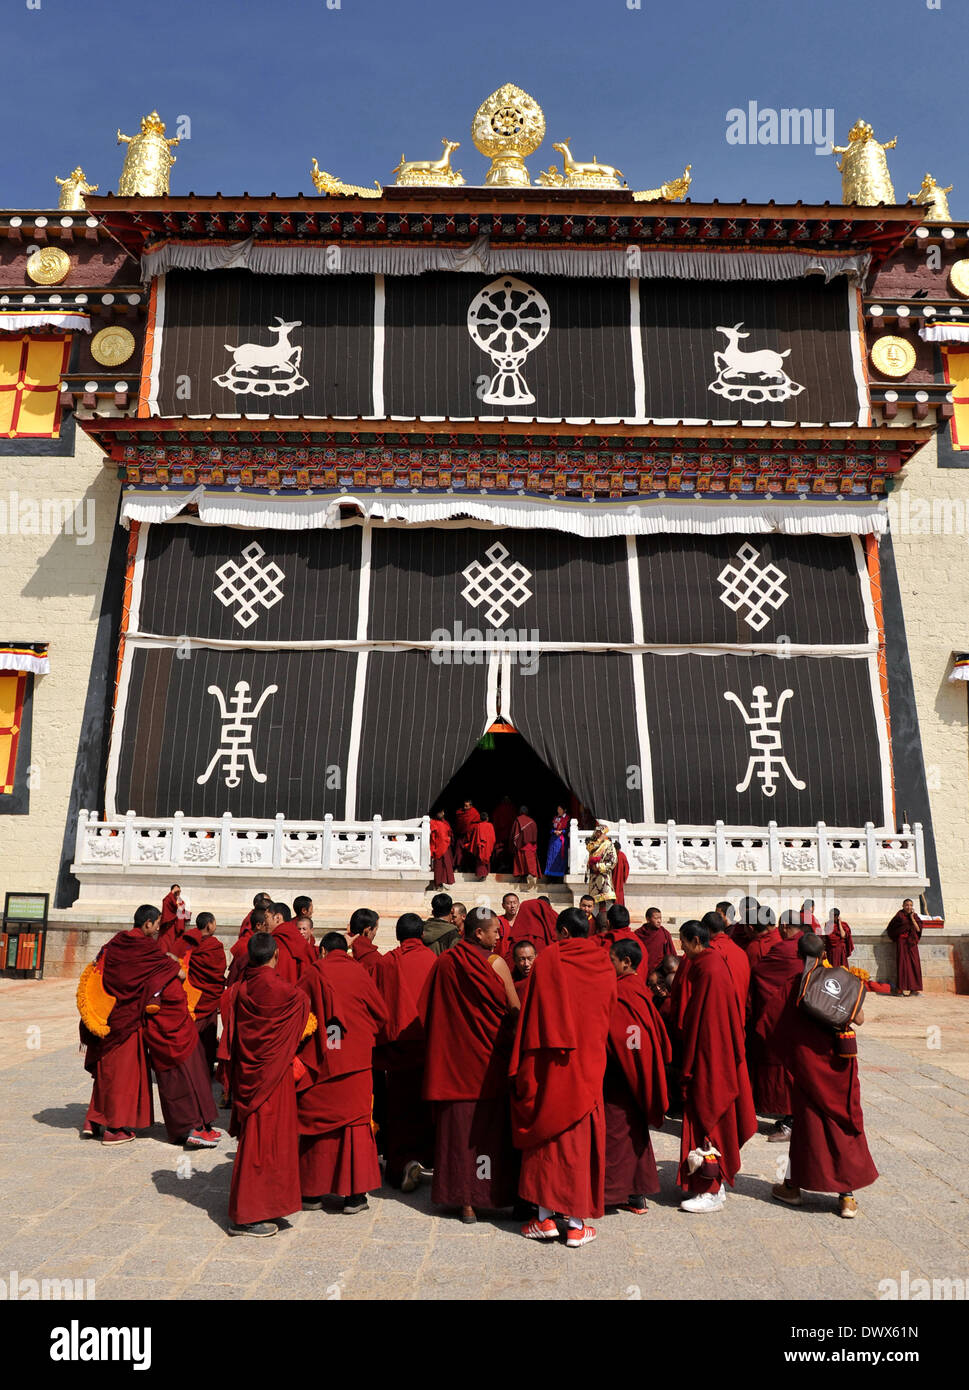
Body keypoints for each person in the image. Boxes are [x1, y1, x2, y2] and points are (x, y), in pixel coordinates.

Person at [511, 907, 617, 1247]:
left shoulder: (549, 959)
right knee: (579, 1140)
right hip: (587, 1065)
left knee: (546, 1137)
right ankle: (575, 1224)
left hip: (550, 1066)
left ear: (563, 933)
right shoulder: (603, 962)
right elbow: (607, 1011)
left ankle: (544, 1219)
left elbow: (532, 1013)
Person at [422, 906, 521, 1223]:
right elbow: (514, 1009)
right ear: (479, 933)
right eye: (494, 930)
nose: (498, 935)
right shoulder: (495, 964)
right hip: (488, 1064)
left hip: (452, 1066)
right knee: (486, 1134)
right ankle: (487, 1195)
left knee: (458, 1135)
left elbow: (427, 1010)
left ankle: (463, 1201)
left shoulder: (445, 963)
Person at [772, 934, 878, 1218]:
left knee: (809, 1127)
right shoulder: (840, 978)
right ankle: (847, 1197)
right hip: (839, 1067)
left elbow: (776, 1027)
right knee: (842, 1123)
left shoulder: (795, 985)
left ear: (799, 955)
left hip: (808, 1066)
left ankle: (793, 1188)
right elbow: (859, 1018)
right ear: (824, 954)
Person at [221, 932, 311, 1237]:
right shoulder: (291, 994)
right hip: (275, 1079)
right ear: (275, 957)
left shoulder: (238, 992)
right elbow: (301, 1014)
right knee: (265, 1145)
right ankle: (246, 1215)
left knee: (258, 1141)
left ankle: (266, 1205)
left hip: (250, 1077)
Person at [298, 932, 388, 1215]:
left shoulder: (313, 973)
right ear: (345, 950)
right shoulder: (359, 972)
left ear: (323, 951)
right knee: (355, 1126)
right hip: (357, 1062)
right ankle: (354, 1197)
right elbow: (382, 1014)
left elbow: (298, 1013)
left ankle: (312, 1193)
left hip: (322, 1062)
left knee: (318, 1124)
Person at [676, 919, 756, 1214]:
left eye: (683, 941)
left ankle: (709, 1188)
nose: (680, 947)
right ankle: (717, 1183)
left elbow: (702, 1023)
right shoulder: (711, 964)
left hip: (711, 1060)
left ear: (697, 941)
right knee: (716, 1122)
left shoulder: (707, 970)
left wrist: (691, 1065)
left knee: (708, 1118)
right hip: (718, 1054)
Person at [81, 904, 174, 1144]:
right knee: (123, 1075)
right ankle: (114, 1128)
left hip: (106, 1018)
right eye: (156, 924)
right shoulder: (144, 948)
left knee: (106, 1071)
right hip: (127, 1022)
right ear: (147, 924)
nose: (157, 929)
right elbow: (170, 969)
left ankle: (94, 1119)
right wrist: (174, 963)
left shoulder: (115, 943)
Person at [143, 911, 221, 1149]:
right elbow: (153, 1008)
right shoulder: (155, 979)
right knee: (179, 1084)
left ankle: (202, 1125)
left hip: (183, 1034)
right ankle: (189, 1129)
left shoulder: (169, 973)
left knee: (196, 1077)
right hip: (167, 1040)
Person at [604, 938, 671, 1214]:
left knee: (615, 1135)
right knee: (632, 1134)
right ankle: (635, 1194)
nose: (609, 965)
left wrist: (633, 1076)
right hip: (632, 1077)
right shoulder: (638, 990)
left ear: (626, 963)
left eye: (612, 960)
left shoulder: (623, 993)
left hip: (620, 1079)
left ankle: (612, 1194)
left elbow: (630, 1041)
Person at [373, 913, 437, 1192]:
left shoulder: (388, 962)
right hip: (427, 1045)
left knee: (399, 1108)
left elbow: (376, 1004)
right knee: (425, 1106)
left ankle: (402, 1163)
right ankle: (425, 1158)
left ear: (398, 936)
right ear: (421, 934)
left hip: (397, 1047)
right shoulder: (434, 961)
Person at [748, 915, 804, 1142]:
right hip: (801, 1017)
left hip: (785, 1017)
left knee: (788, 1072)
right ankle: (794, 1119)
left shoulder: (785, 949)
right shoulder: (806, 944)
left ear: (785, 927)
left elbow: (760, 974)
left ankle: (792, 1123)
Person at [181, 911, 227, 1075]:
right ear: (209, 925)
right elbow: (219, 971)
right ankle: (204, 1069)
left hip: (192, 997)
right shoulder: (215, 946)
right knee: (206, 1036)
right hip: (209, 997)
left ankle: (188, 1069)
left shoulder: (188, 943)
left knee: (191, 1034)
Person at [702, 909, 750, 1013]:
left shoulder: (707, 953)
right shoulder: (741, 952)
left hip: (717, 1012)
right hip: (739, 1011)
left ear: (706, 930)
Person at [270, 902, 316, 983]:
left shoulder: (277, 942)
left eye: (266, 917)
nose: (264, 922)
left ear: (277, 918)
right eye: (299, 929)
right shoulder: (294, 939)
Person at [886, 899, 923, 996]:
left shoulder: (915, 916)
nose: (908, 907)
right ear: (903, 906)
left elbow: (918, 929)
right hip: (902, 943)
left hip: (912, 944)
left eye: (910, 905)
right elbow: (891, 928)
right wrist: (896, 937)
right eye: (906, 905)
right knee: (902, 965)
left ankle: (914, 989)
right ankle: (900, 989)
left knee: (914, 965)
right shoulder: (899, 916)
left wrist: (912, 919)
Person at [226, 906, 269, 987]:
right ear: (258, 926)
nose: (268, 928)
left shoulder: (253, 940)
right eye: (266, 925)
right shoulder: (246, 944)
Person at [634, 906, 676, 974]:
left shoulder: (664, 933)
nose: (659, 921)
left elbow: (670, 953)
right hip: (642, 969)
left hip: (659, 970)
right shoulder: (638, 934)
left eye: (660, 918)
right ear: (648, 919)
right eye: (656, 918)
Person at [585, 823, 617, 909]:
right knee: (593, 902)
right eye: (597, 832)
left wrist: (599, 866)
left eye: (600, 832)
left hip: (604, 877)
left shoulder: (608, 844)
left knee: (608, 902)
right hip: (594, 877)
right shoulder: (592, 844)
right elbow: (589, 849)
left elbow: (612, 861)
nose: (598, 834)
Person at [158, 885, 191, 960]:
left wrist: (183, 912)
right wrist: (172, 893)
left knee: (175, 951)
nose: (178, 893)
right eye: (176, 891)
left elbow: (182, 912)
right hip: (168, 928)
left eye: (179, 891)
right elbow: (165, 902)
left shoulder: (180, 901)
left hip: (177, 929)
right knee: (165, 950)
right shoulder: (168, 900)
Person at [511, 806, 540, 886]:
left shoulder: (518, 820)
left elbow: (515, 834)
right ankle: (530, 875)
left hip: (522, 846)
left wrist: (515, 844)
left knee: (521, 863)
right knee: (530, 862)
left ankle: (523, 876)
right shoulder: (532, 821)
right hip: (531, 846)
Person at [347, 907, 381, 975]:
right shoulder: (375, 959)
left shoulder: (335, 945)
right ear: (367, 930)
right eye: (376, 929)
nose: (375, 933)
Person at [429, 809, 455, 889]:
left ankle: (442, 883)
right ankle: (438, 884)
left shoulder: (445, 823)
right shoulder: (433, 823)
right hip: (438, 847)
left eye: (442, 812)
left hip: (446, 846)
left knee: (446, 866)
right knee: (438, 867)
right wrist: (433, 848)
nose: (441, 814)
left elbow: (450, 833)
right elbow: (432, 836)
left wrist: (449, 839)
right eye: (440, 812)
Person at [469, 812, 496, 880]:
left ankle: (481, 875)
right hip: (487, 846)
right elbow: (493, 838)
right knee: (487, 858)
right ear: (487, 818)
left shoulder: (477, 826)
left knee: (480, 859)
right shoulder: (490, 826)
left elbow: (474, 838)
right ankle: (485, 873)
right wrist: (490, 845)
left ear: (480, 819)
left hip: (480, 847)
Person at [454, 799, 481, 870]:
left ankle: (469, 868)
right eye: (464, 805)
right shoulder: (460, 812)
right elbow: (459, 823)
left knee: (469, 852)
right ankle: (458, 866)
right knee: (458, 851)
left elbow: (477, 824)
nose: (465, 807)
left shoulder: (474, 813)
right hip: (462, 836)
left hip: (470, 837)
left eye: (467, 806)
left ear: (471, 806)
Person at [544, 805, 569, 879]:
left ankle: (559, 876)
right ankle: (550, 876)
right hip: (553, 841)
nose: (558, 811)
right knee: (551, 857)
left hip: (561, 841)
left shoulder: (567, 818)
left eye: (560, 809)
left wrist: (562, 831)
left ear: (564, 810)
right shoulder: (555, 818)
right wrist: (554, 831)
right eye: (558, 809)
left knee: (560, 858)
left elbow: (568, 829)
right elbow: (550, 828)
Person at [613, 840, 630, 907]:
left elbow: (626, 868)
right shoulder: (611, 855)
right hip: (611, 879)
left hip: (619, 880)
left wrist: (624, 878)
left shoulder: (622, 855)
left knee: (618, 894)